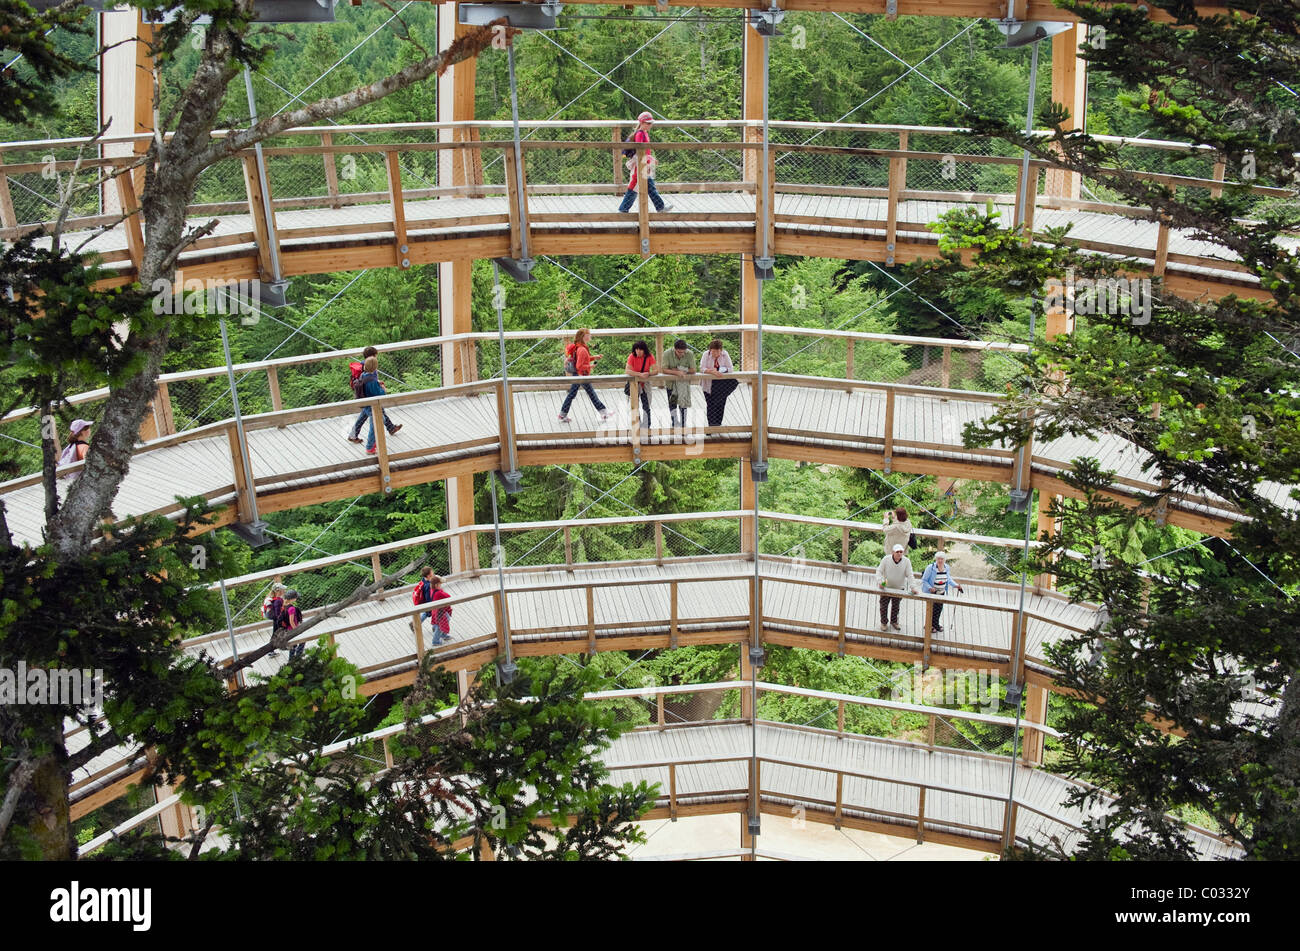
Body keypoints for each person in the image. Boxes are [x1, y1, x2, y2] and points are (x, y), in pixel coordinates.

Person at [617, 112, 673, 214]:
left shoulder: (644, 133)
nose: (650, 125)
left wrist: (650, 160)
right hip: (640, 164)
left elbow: (646, 151)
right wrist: (647, 162)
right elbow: (640, 151)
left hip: (644, 164)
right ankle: (623, 209)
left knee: (647, 187)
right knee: (634, 187)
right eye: (647, 123)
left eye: (650, 123)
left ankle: (660, 207)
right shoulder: (640, 134)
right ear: (642, 123)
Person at [558, 329, 614, 424]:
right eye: (589, 335)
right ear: (584, 337)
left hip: (578, 374)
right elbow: (579, 366)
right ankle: (604, 412)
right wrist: (590, 366)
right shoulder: (583, 349)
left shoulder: (578, 347)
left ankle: (562, 414)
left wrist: (594, 357)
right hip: (582, 375)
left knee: (572, 394)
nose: (590, 336)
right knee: (591, 394)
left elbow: (584, 359)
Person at [348, 347, 402, 445]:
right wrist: (381, 388)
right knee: (378, 416)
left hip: (365, 397)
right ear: (373, 356)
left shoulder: (364, 366)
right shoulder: (370, 366)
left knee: (365, 415)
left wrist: (376, 383)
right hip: (371, 398)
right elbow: (372, 385)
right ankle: (370, 445)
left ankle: (353, 435)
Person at [875, 544, 918, 633]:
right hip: (886, 587)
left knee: (896, 606)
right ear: (892, 552)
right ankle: (883, 623)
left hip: (899, 588)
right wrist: (880, 581)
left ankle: (894, 621)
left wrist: (913, 587)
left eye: (901, 552)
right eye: (897, 552)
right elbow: (879, 571)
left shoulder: (906, 561)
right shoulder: (886, 559)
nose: (899, 553)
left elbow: (910, 575)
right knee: (883, 606)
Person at [920, 551, 964, 633]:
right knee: (931, 609)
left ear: (945, 560)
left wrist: (956, 585)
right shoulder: (931, 568)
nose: (940, 561)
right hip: (932, 592)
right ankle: (928, 625)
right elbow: (924, 580)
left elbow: (948, 579)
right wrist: (930, 588)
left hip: (941, 591)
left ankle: (935, 624)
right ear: (936, 559)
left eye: (942, 559)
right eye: (938, 559)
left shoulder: (946, 567)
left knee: (938, 609)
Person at [700, 338, 737, 428]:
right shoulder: (706, 354)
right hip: (709, 383)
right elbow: (702, 368)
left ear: (721, 350)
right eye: (713, 352)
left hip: (721, 382)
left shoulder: (725, 354)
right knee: (710, 404)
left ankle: (718, 424)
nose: (715, 354)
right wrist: (711, 371)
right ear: (710, 350)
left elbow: (730, 368)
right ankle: (711, 426)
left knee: (721, 403)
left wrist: (719, 370)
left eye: (717, 352)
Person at [661, 338, 696, 429]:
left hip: (683, 385)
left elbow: (693, 370)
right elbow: (664, 369)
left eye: (683, 352)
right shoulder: (667, 353)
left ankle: (684, 424)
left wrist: (680, 369)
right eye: (679, 352)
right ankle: (674, 422)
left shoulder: (690, 354)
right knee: (673, 404)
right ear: (674, 349)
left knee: (683, 404)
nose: (682, 354)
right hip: (671, 384)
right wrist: (676, 373)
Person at [624, 339, 657, 429]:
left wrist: (648, 374)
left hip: (645, 384)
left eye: (640, 349)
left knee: (646, 405)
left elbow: (656, 370)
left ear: (644, 350)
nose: (638, 351)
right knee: (635, 405)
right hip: (634, 384)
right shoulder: (632, 356)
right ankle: (637, 425)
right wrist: (640, 374)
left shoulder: (649, 356)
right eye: (636, 349)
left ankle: (647, 426)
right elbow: (627, 370)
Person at [277, 589, 305, 660]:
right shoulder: (292, 608)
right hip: (292, 629)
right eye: (295, 597)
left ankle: (291, 659)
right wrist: (296, 630)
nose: (296, 598)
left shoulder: (284, 606)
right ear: (292, 599)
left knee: (293, 644)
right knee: (302, 641)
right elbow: (291, 621)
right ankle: (298, 657)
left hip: (287, 629)